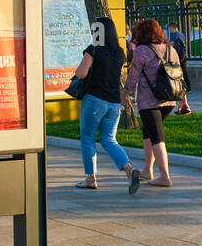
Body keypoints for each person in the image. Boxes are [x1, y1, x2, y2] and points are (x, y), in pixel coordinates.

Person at [71, 16, 141, 193]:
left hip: (94, 100)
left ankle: (90, 179)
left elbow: (80, 74)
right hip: (113, 103)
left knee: (87, 138)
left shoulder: (93, 50)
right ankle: (129, 170)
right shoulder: (119, 52)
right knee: (109, 140)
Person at [125, 18, 182, 187]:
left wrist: (125, 92)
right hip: (169, 99)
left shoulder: (142, 50)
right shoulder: (171, 49)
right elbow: (179, 76)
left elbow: (133, 75)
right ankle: (147, 170)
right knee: (148, 132)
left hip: (149, 101)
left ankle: (164, 176)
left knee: (156, 136)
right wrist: (183, 100)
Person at [166, 23, 192, 115]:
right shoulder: (181, 34)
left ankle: (184, 101)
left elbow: (172, 44)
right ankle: (184, 105)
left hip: (177, 57)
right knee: (183, 75)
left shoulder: (175, 35)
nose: (170, 30)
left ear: (172, 27)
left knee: (180, 77)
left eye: (170, 28)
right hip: (182, 57)